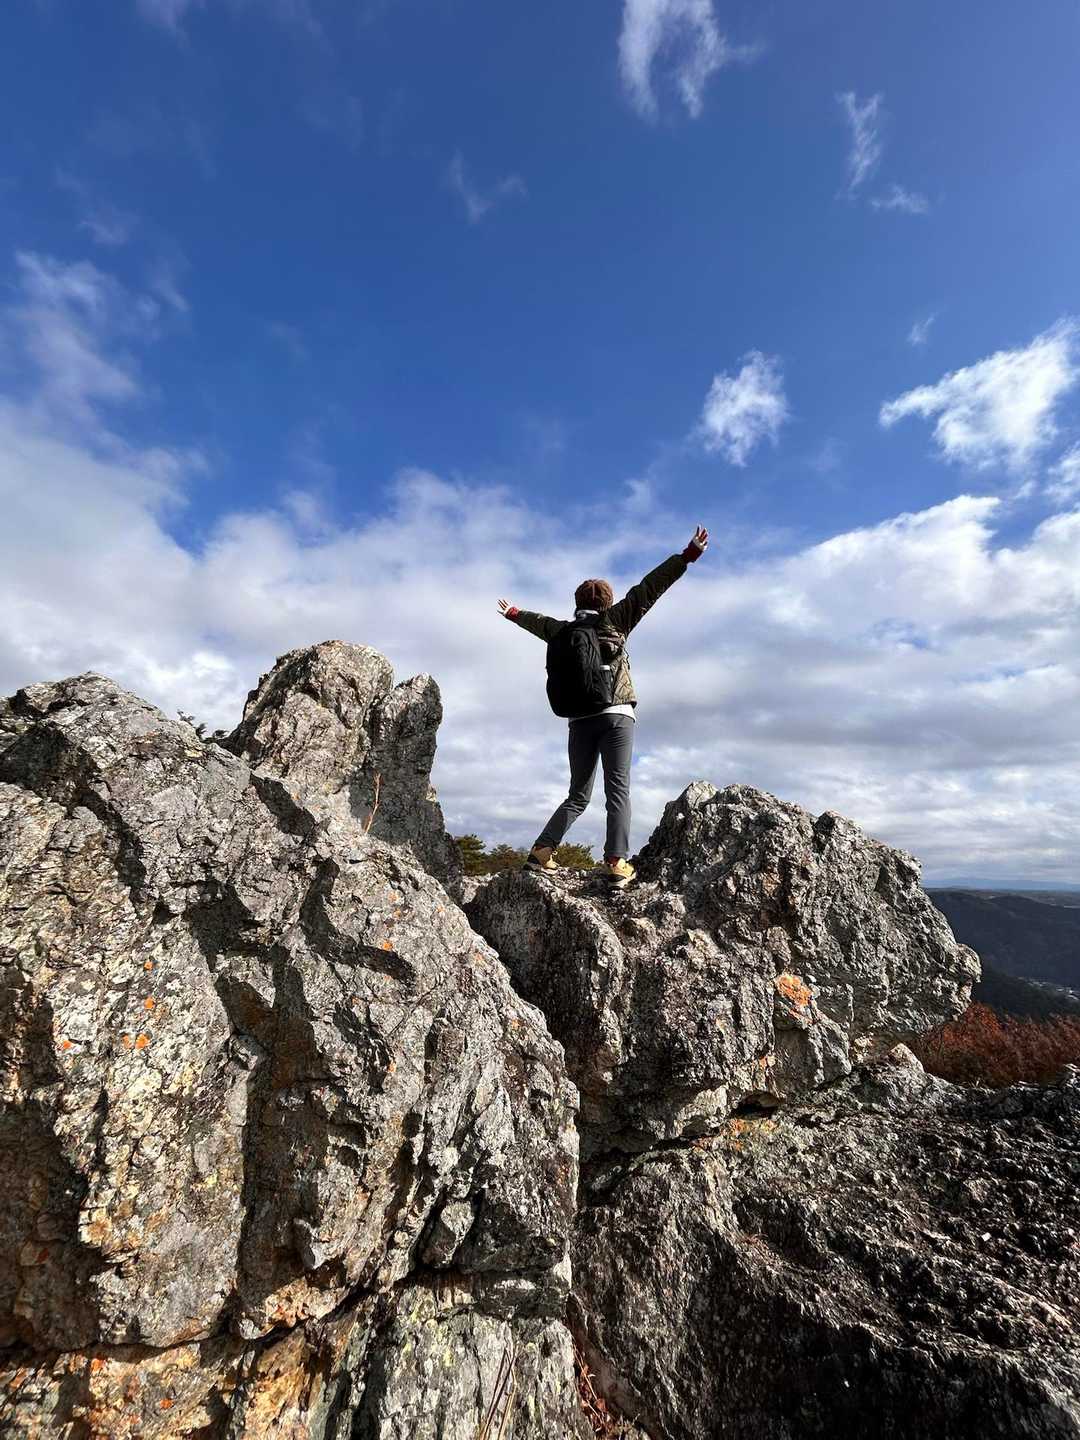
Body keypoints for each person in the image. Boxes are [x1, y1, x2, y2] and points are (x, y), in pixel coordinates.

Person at [497, 526, 708, 886]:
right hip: (616, 716)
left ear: (577, 603)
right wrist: (686, 557)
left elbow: (537, 623)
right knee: (618, 791)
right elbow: (650, 587)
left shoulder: (561, 632)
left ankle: (541, 853)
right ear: (607, 603)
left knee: (577, 794)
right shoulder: (617, 621)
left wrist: (515, 613)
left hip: (579, 719)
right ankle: (615, 862)